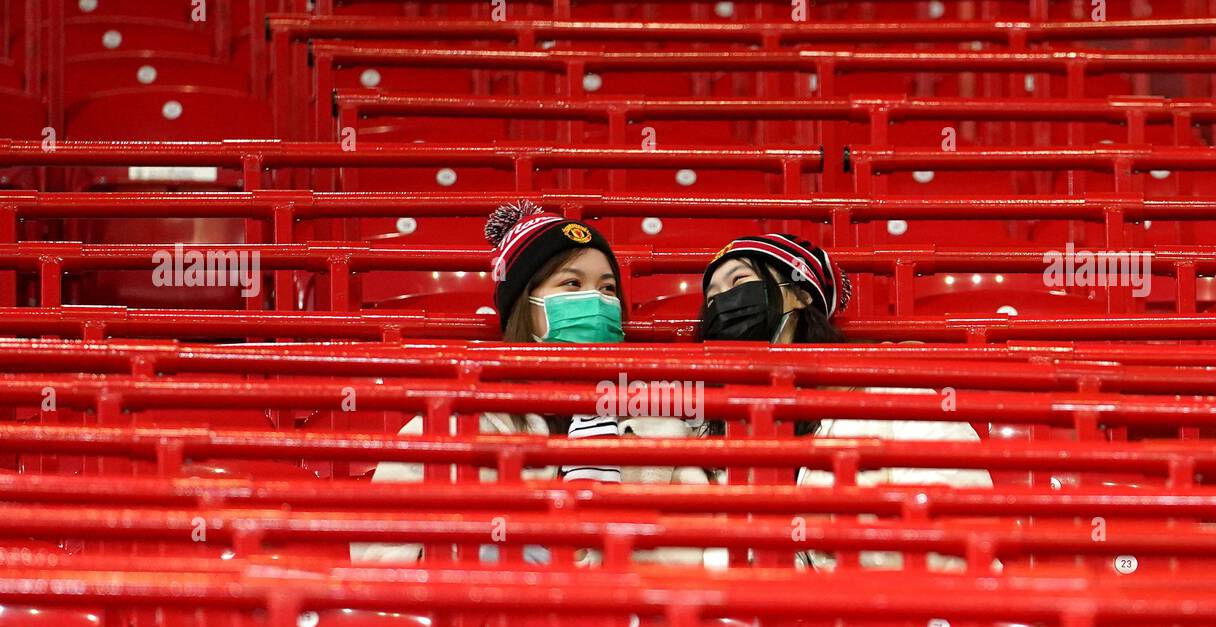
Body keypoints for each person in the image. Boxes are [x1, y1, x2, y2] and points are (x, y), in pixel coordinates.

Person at [351, 201, 707, 566]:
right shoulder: (451, 423)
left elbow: (695, 555)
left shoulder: (661, 424)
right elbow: (380, 556)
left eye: (608, 288)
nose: (598, 300)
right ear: (527, 302)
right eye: (572, 283)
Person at [698, 233, 994, 571]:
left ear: (800, 293)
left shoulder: (897, 400)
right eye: (712, 298)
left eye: (739, 281)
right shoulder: (713, 434)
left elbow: (957, 540)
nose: (723, 302)